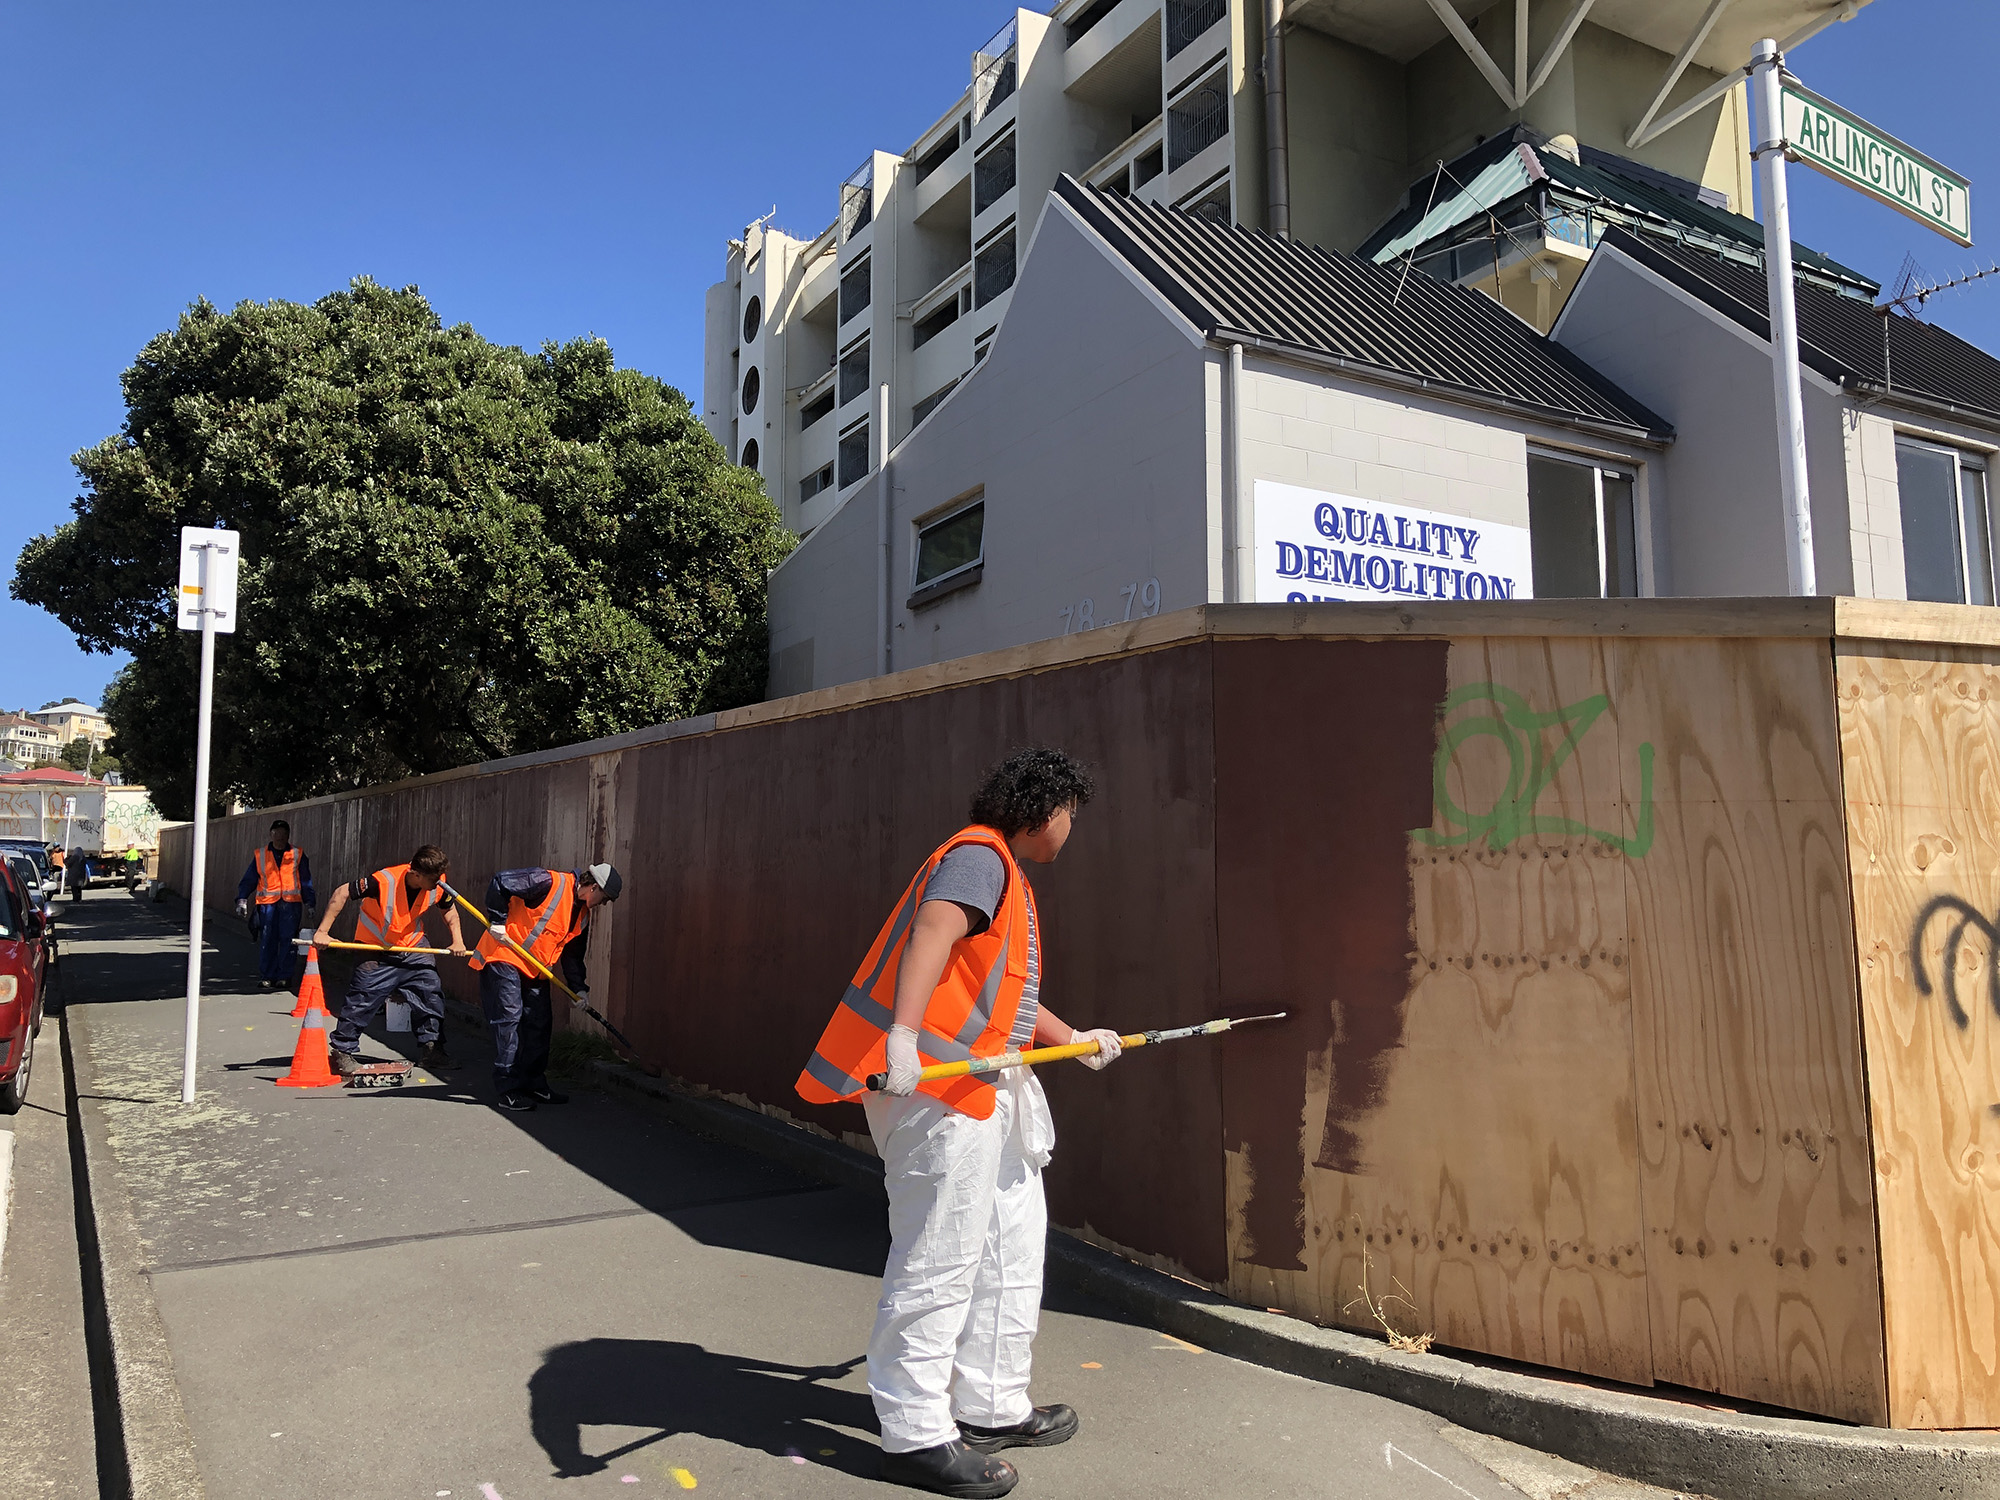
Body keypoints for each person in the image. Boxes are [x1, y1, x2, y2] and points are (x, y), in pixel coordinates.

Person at [796, 748, 1123, 1499]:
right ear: (1046, 809)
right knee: (939, 1256)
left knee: (1009, 1245)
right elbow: (933, 932)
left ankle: (992, 1406)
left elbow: (1004, 998)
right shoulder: (981, 858)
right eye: (1072, 813)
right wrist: (904, 1039)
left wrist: (1076, 1041)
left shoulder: (1003, 879)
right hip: (933, 1093)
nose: (1072, 828)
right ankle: (913, 1434)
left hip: (980, 1090)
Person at [470, 863, 622, 1113]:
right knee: (510, 1020)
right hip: (504, 955)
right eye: (604, 899)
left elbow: (573, 956)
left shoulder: (582, 915)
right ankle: (508, 1089)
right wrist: (497, 922)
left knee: (540, 1023)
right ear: (594, 887)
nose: (602, 904)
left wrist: (579, 988)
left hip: (535, 969)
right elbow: (500, 881)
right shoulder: (547, 882)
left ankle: (533, 1083)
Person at [313, 845, 466, 1075]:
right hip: (376, 947)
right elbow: (342, 892)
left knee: (430, 994)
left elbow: (449, 910)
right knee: (363, 997)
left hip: (413, 946)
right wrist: (322, 932)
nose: (437, 883)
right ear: (416, 874)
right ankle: (342, 1050)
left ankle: (431, 1049)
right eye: (432, 879)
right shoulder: (383, 882)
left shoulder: (437, 883)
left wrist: (458, 941)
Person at [233, 819, 316, 991]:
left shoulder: (297, 854)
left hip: (290, 905)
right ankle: (268, 976)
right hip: (268, 905)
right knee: (267, 940)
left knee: (288, 940)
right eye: (277, 832)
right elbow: (249, 879)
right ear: (271, 834)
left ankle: (284, 977)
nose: (280, 836)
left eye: (283, 833)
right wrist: (242, 899)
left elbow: (306, 879)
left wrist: (310, 903)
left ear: (288, 835)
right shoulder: (261, 855)